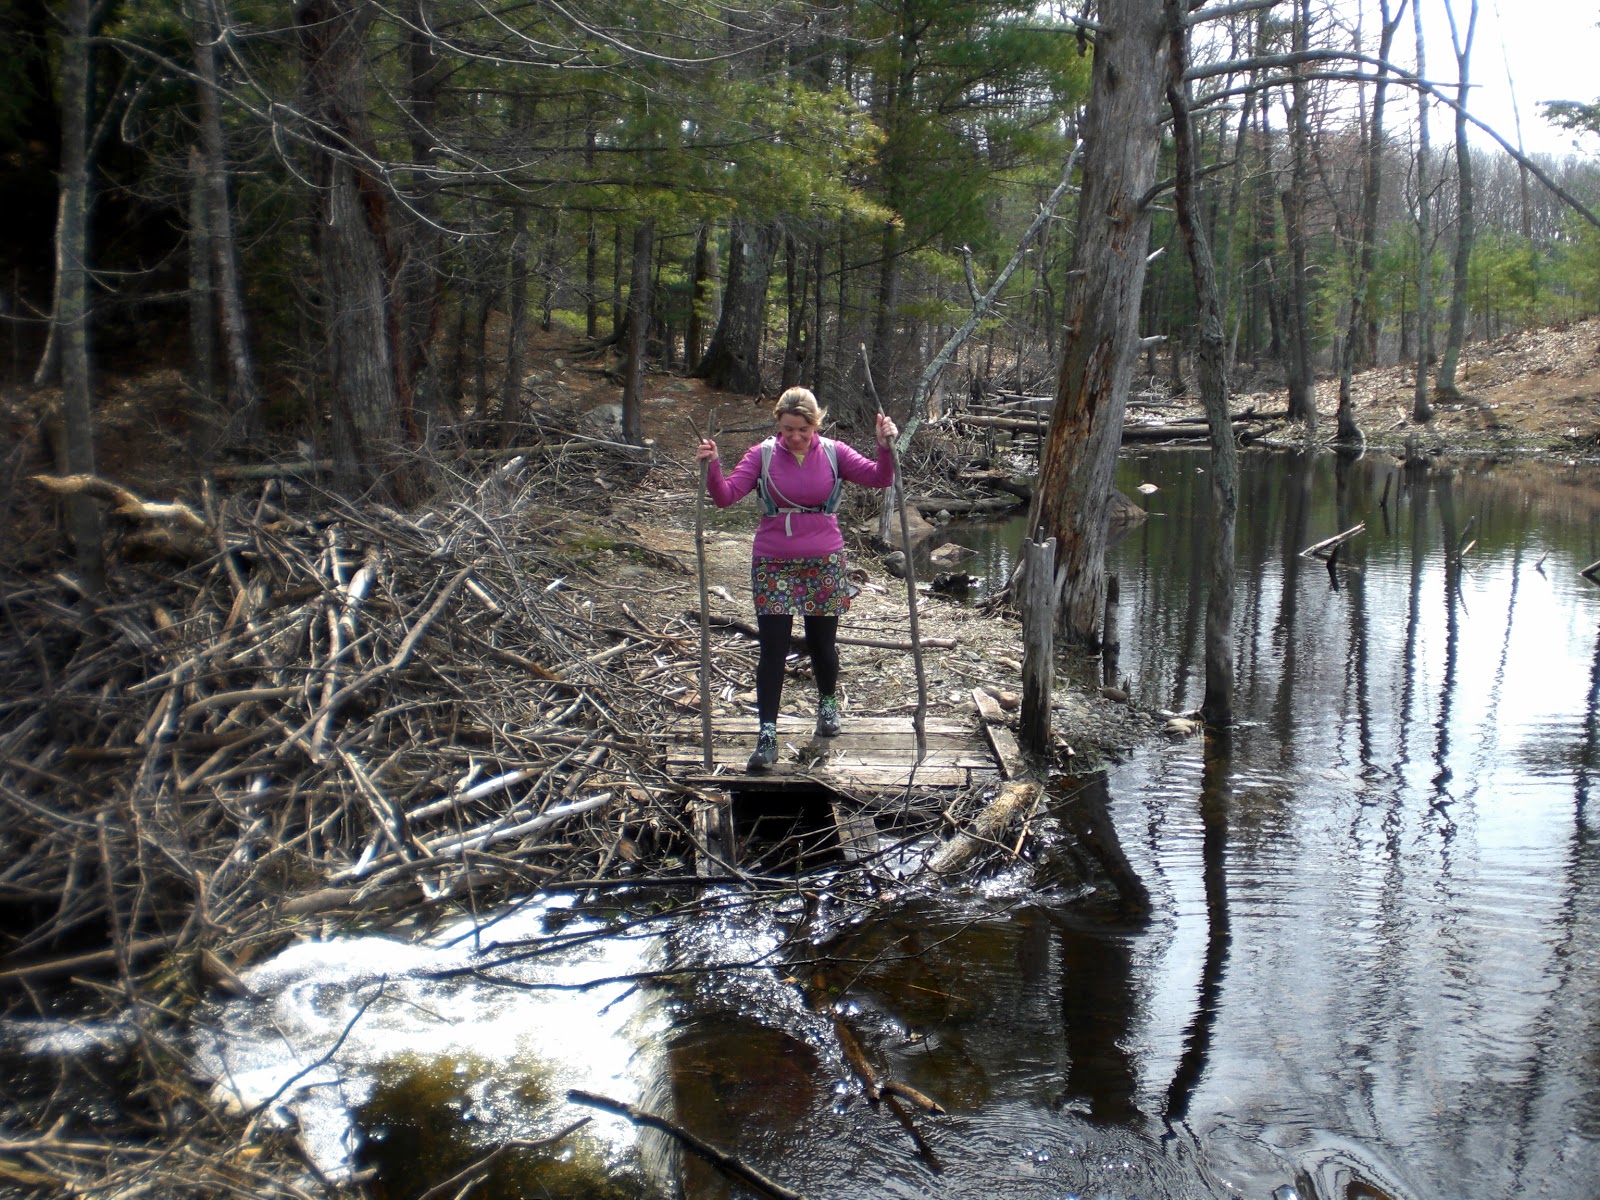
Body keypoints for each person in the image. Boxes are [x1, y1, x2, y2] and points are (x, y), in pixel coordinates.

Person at [696, 387, 899, 771]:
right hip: (773, 562)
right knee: (772, 648)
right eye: (788, 429)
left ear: (815, 425)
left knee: (822, 644)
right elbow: (725, 496)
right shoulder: (763, 455)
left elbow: (881, 478)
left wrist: (884, 446)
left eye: (802, 430)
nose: (794, 437)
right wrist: (713, 466)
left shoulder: (835, 453)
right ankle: (767, 734)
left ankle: (827, 706)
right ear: (778, 424)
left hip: (824, 560)